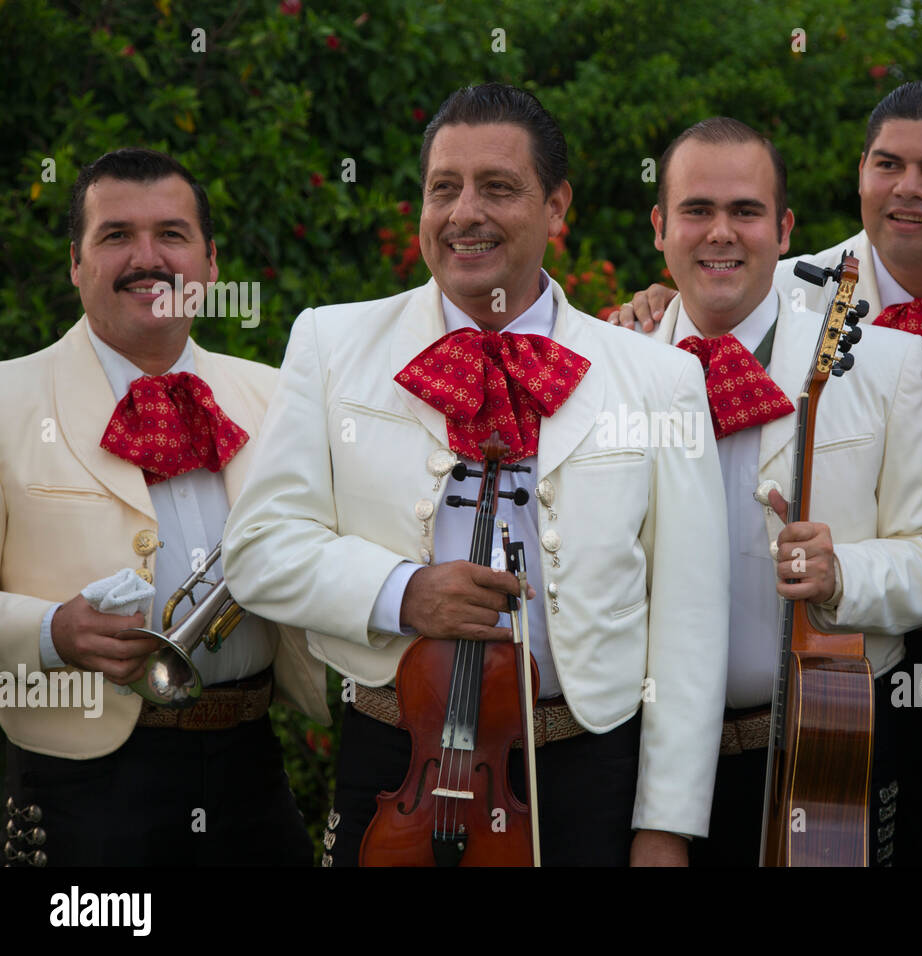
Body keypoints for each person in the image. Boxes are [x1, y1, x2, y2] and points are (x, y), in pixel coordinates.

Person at [222, 83, 729, 867]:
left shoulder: (661, 379)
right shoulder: (330, 344)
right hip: (395, 758)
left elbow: (691, 620)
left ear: (556, 207)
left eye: (497, 187)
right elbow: (259, 548)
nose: (465, 213)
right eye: (444, 188)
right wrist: (402, 591)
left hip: (587, 770)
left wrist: (666, 826)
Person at [642, 116, 922, 866]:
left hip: (828, 746)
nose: (721, 233)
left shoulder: (888, 363)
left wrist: (843, 572)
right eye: (697, 210)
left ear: (785, 230)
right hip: (645, 759)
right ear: (659, 228)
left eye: (746, 211)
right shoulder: (609, 367)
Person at [0, 148, 328, 866]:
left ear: (210, 265)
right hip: (80, 787)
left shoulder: (279, 397)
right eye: (116, 235)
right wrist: (51, 632)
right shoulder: (5, 401)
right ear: (76, 263)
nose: (146, 259)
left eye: (171, 235)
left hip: (250, 768)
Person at [614, 80, 922, 365]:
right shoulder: (777, 289)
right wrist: (670, 306)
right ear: (861, 173)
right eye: (888, 165)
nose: (909, 188)